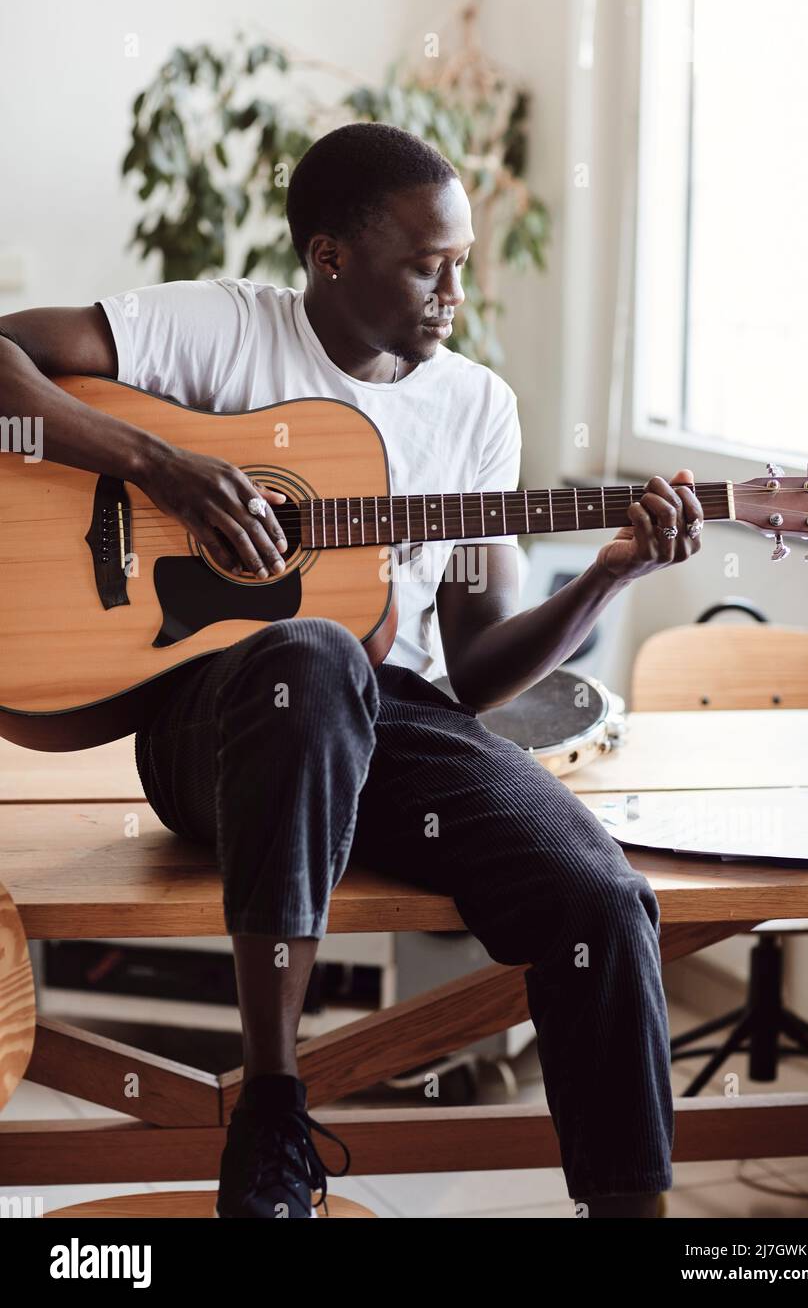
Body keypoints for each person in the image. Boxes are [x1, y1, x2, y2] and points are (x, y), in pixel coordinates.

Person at [0, 122, 704, 1219]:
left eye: (462, 261)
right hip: (212, 731)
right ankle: (272, 1108)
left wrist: (604, 581)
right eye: (427, 263)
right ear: (329, 255)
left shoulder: (475, 409)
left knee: (604, 896)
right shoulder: (224, 330)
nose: (453, 291)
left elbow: (469, 669)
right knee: (313, 653)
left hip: (396, 724)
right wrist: (164, 469)